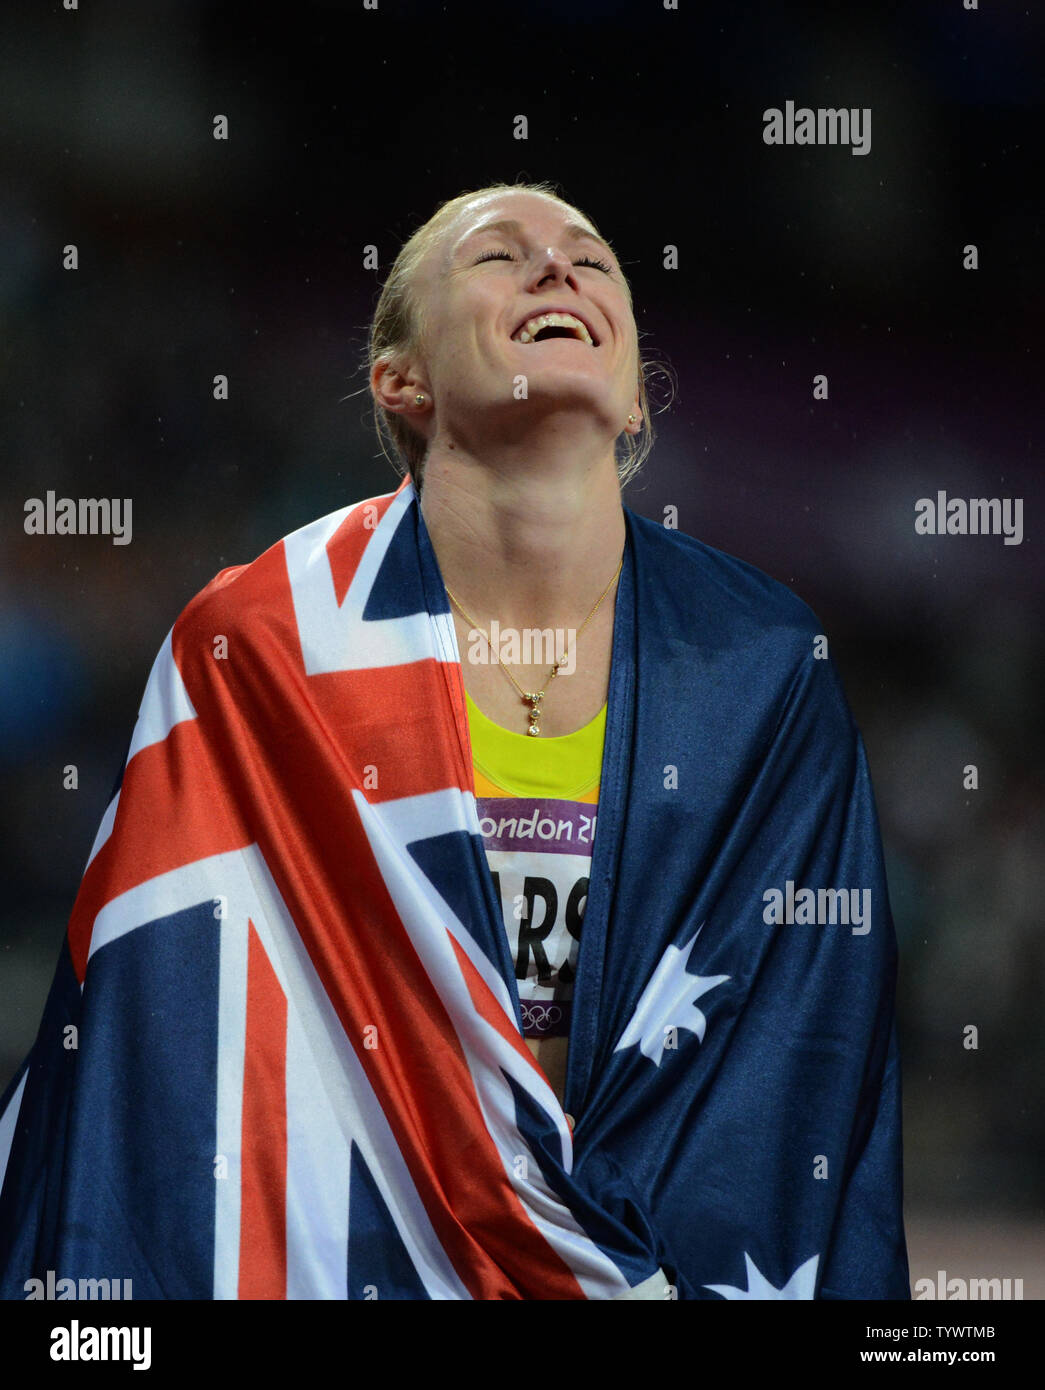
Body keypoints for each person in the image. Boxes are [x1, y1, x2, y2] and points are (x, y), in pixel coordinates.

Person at [0, 181, 910, 1300]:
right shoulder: (265, 648)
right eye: (499, 256)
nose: (557, 268)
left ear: (634, 400)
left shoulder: (762, 669)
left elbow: (801, 1067)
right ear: (402, 379)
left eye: (592, 259)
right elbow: (154, 1047)